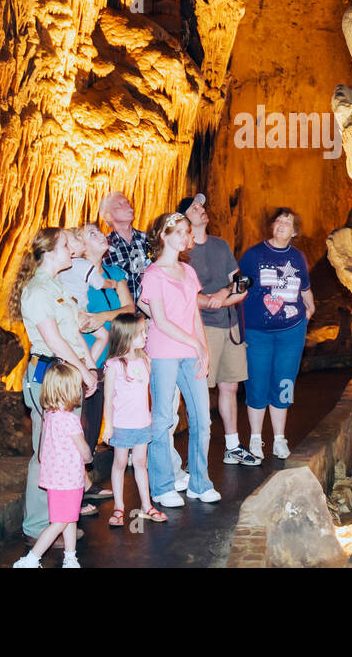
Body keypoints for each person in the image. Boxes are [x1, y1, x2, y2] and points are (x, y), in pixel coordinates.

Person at [12, 228, 99, 545]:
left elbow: (75, 332)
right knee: (46, 452)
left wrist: (88, 365)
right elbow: (54, 340)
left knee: (64, 451)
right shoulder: (37, 290)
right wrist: (83, 371)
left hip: (66, 373)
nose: (71, 251)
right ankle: (38, 527)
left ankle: (61, 521)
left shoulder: (56, 285)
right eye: (66, 245)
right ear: (49, 251)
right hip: (49, 375)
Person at [99, 190, 187, 490]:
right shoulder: (105, 247)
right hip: (125, 328)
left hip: (153, 321)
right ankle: (128, 451)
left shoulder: (147, 241)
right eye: (119, 204)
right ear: (108, 216)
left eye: (128, 201)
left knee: (164, 395)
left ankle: (166, 463)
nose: (129, 205)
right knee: (128, 387)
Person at [140, 211, 219, 507]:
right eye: (181, 231)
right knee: (162, 419)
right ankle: (162, 486)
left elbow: (193, 314)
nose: (187, 236)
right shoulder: (153, 274)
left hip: (190, 352)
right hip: (163, 353)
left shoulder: (189, 272)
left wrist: (204, 349)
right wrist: (194, 343)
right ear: (164, 235)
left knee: (203, 419)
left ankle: (200, 481)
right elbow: (159, 319)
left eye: (188, 231)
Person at [179, 193, 258, 466]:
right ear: (184, 218)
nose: (202, 210)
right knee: (199, 392)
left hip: (230, 324)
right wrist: (220, 298)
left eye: (202, 205)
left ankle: (233, 446)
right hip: (202, 329)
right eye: (195, 207)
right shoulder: (183, 253)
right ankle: (194, 454)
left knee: (230, 387)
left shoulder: (220, 245)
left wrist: (224, 294)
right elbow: (191, 297)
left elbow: (239, 284)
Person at [239, 208, 315, 460]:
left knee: (284, 382)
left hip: (290, 332)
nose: (282, 224)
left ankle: (279, 439)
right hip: (257, 332)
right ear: (272, 226)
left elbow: (304, 288)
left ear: (294, 232)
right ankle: (256, 439)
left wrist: (310, 309)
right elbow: (239, 288)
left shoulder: (298, 258)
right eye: (278, 220)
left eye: (288, 222)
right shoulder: (253, 255)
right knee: (257, 382)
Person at [72, 222, 135, 510]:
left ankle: (85, 483)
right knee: (84, 421)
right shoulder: (74, 274)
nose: (100, 235)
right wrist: (99, 320)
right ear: (81, 246)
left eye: (100, 231)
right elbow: (78, 315)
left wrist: (102, 317)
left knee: (96, 423)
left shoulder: (114, 273)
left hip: (118, 356)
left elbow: (130, 310)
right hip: (92, 358)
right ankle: (77, 488)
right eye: (91, 233)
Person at [12, 362, 93, 568]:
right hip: (68, 480)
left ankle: (70, 556)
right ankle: (31, 559)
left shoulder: (50, 416)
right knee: (60, 522)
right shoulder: (70, 420)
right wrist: (88, 458)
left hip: (55, 479)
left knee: (69, 518)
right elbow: (83, 449)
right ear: (70, 391)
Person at [101, 313, 168, 527]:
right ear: (127, 336)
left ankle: (146, 505)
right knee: (120, 464)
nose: (145, 335)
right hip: (122, 424)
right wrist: (108, 426)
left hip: (142, 423)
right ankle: (119, 507)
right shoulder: (114, 365)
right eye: (141, 332)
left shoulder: (144, 360)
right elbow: (108, 397)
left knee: (140, 464)